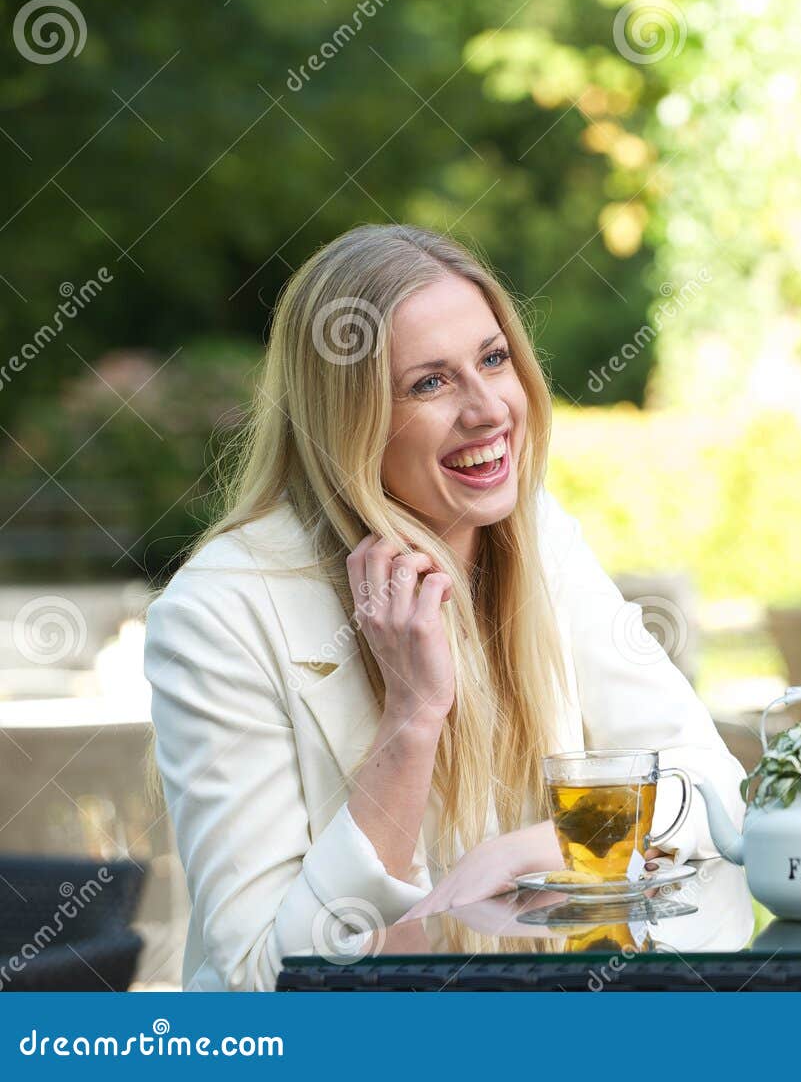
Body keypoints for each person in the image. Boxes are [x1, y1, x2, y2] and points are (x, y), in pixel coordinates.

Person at [145, 225, 744, 990]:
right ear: (346, 421)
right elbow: (262, 981)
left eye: (494, 359)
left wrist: (548, 846)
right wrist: (413, 715)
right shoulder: (219, 613)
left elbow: (709, 788)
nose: (489, 408)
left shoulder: (538, 535)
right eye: (430, 383)